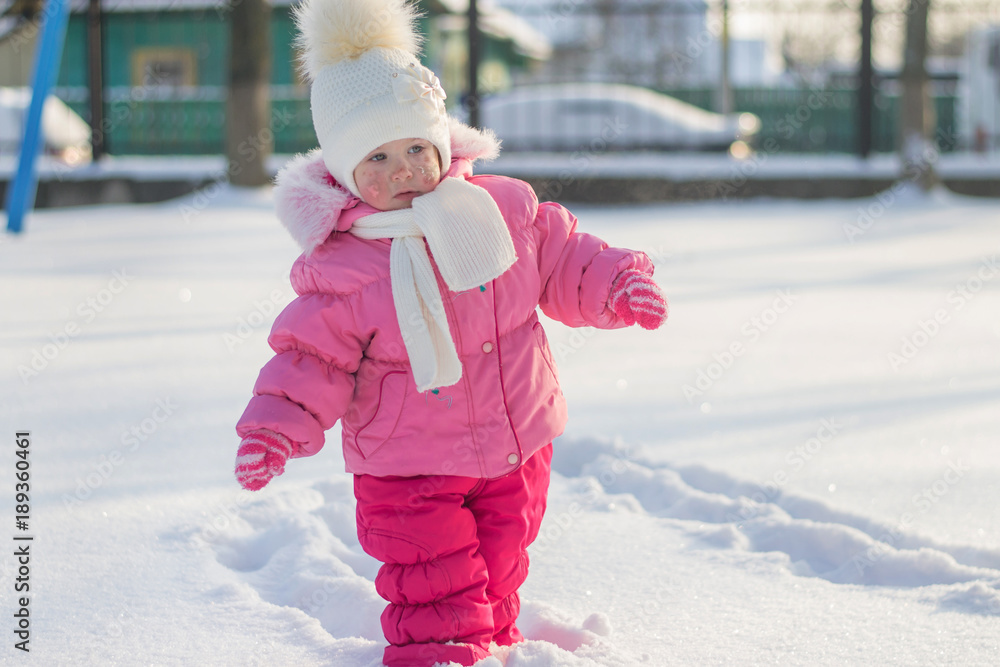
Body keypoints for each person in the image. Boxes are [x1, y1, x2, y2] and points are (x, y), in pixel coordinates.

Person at [233, 0, 667, 665]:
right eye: (376, 157)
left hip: (517, 442)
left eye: (415, 147)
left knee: (499, 573)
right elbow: (308, 359)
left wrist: (616, 282)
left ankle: (495, 642)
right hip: (406, 466)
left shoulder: (502, 211)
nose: (403, 169)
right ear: (345, 172)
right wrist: (273, 428)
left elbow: (566, 259)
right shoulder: (341, 267)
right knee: (436, 593)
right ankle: (442, 654)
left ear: (441, 141)